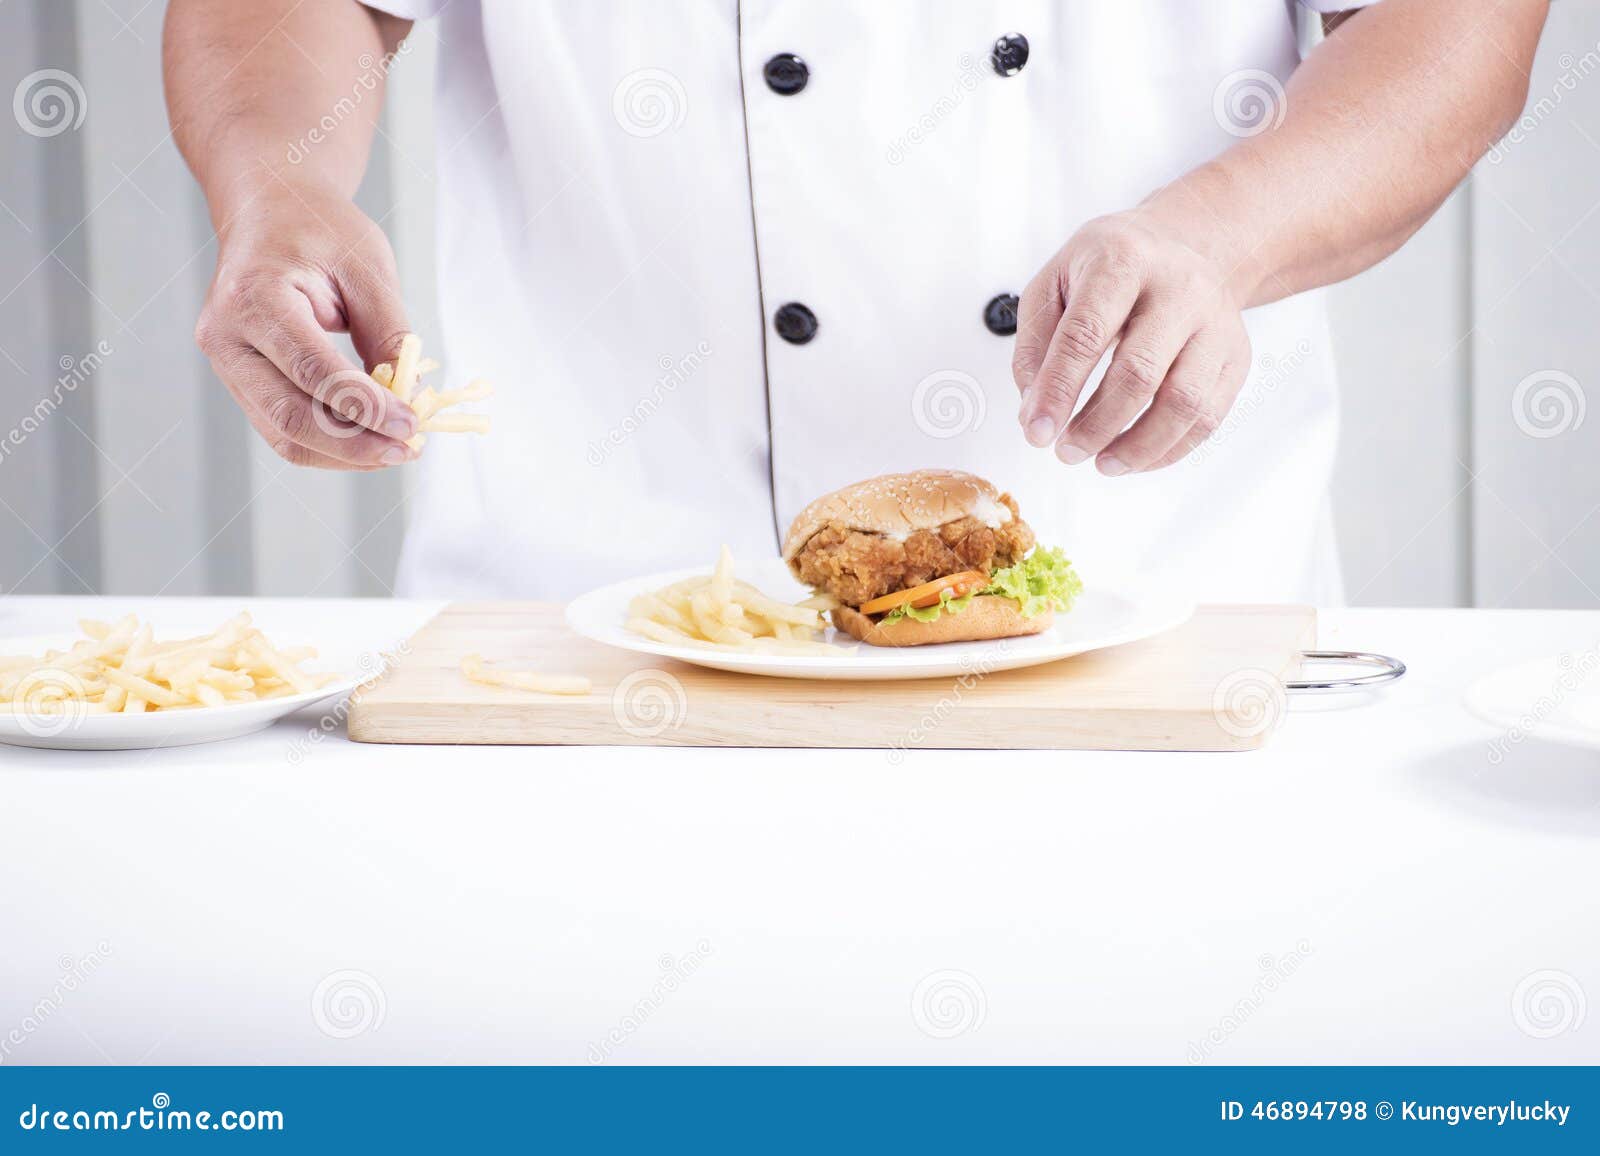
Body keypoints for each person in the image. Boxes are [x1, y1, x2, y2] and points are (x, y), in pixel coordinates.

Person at [163, 0, 1547, 603]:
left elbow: (1457, 23)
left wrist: (1228, 235)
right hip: (587, 615)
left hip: (1148, 619)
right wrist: (277, 187)